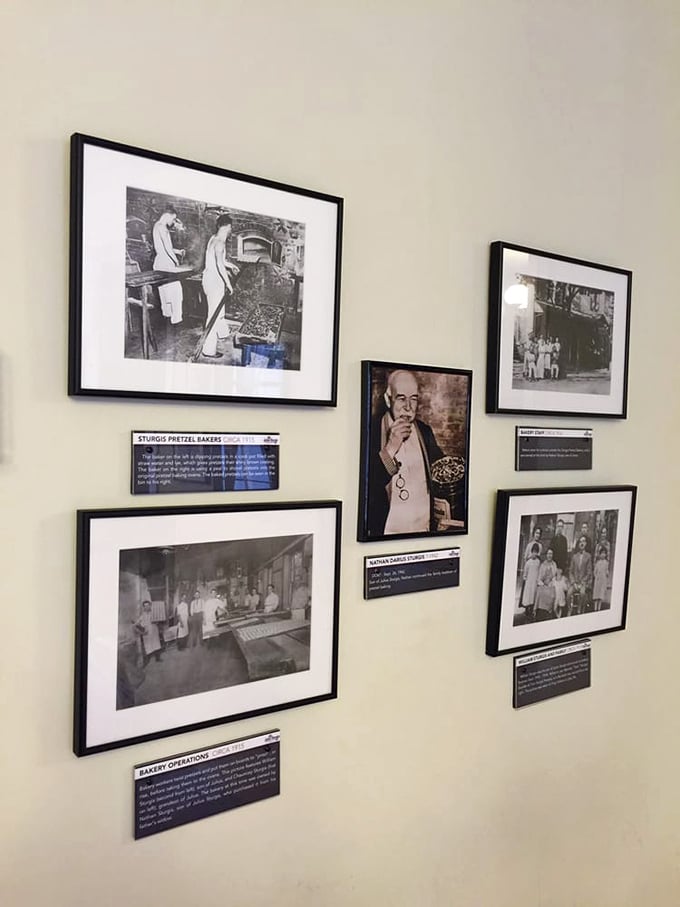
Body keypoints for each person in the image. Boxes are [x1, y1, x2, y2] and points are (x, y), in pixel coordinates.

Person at [367, 369, 450, 537]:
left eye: (413, 399)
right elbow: (370, 485)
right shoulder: (371, 431)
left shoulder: (424, 431)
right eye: (401, 398)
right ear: (388, 399)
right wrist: (392, 446)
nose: (408, 406)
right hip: (387, 532)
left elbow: (440, 471)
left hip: (423, 530)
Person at [200, 214, 240, 358]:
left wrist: (232, 265)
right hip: (214, 283)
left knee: (217, 312)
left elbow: (219, 260)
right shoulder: (220, 243)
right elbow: (219, 264)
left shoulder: (213, 238)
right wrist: (229, 285)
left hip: (208, 279)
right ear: (227, 226)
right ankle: (208, 350)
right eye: (231, 227)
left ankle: (222, 334)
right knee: (214, 315)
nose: (231, 230)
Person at [152, 208, 185, 325]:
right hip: (166, 264)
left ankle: (167, 315)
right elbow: (166, 247)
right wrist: (176, 260)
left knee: (165, 292)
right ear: (167, 215)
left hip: (159, 262)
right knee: (176, 291)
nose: (173, 222)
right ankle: (176, 320)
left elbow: (163, 247)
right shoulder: (162, 227)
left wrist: (177, 251)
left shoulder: (156, 225)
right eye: (173, 218)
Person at [569, 535, 593, 615]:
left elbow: (589, 572)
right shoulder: (574, 556)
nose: (582, 543)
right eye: (580, 541)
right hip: (575, 583)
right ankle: (569, 609)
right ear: (578, 544)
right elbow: (571, 571)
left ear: (585, 543)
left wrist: (583, 582)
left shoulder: (588, 556)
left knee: (582, 594)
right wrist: (573, 583)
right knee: (569, 593)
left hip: (583, 582)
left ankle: (580, 610)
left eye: (583, 541)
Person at [135, 600, 162, 665]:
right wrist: (142, 630)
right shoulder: (142, 616)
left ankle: (158, 658)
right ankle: (147, 661)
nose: (147, 607)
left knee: (156, 644)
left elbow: (158, 620)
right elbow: (137, 623)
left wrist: (157, 622)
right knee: (148, 647)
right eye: (145, 606)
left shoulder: (153, 613)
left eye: (148, 605)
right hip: (147, 633)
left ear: (150, 606)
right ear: (144, 607)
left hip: (154, 631)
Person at [535, 548, 557, 620]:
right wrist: (543, 584)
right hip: (543, 584)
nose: (549, 555)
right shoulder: (543, 565)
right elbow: (539, 578)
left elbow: (555, 576)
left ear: (553, 555)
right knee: (540, 591)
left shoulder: (554, 564)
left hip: (551, 584)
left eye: (551, 554)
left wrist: (552, 582)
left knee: (552, 592)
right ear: (546, 555)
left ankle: (549, 611)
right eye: (548, 554)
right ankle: (540, 613)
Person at [521, 544, 541, 622]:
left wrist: (538, 581)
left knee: (533, 596)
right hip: (529, 582)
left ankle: (532, 610)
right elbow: (525, 573)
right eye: (533, 552)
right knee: (528, 596)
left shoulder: (538, 562)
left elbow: (539, 572)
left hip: (535, 582)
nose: (534, 554)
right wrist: (526, 579)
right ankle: (527, 610)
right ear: (531, 552)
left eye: (536, 552)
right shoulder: (528, 562)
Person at [592, 545, 609, 611]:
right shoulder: (598, 562)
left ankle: (599, 608)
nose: (603, 555)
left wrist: (606, 574)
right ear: (599, 554)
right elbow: (595, 571)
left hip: (603, 580)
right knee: (596, 595)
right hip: (598, 580)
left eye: (604, 553)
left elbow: (606, 571)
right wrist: (596, 576)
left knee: (600, 595)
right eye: (602, 553)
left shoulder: (606, 563)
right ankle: (595, 608)